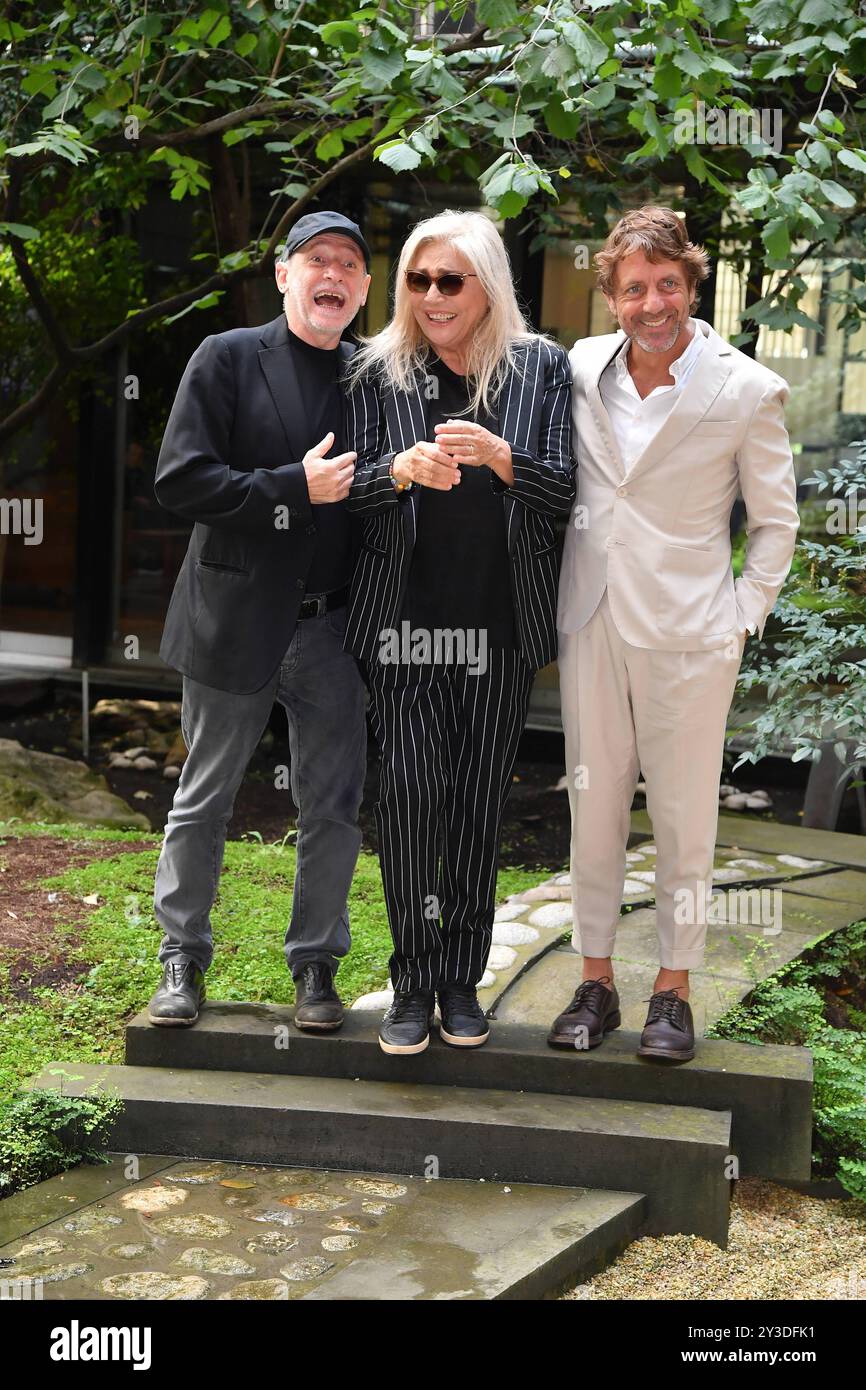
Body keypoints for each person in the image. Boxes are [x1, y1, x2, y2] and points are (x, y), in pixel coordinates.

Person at [552, 205, 799, 1062]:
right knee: (593, 810)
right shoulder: (580, 369)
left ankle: (673, 992)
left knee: (686, 821)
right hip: (591, 622)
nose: (650, 303)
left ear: (690, 285)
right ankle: (594, 983)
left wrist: (741, 616)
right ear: (611, 296)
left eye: (665, 284)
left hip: (693, 636)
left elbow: (775, 524)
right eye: (632, 288)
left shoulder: (744, 388)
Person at [345, 209, 574, 1056]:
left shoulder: (539, 368)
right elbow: (348, 491)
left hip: (499, 629)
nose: (432, 296)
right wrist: (397, 474)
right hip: (404, 632)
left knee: (477, 808)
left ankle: (460, 979)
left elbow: (567, 493)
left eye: (451, 280)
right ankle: (411, 982)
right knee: (408, 803)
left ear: (488, 285)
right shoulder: (377, 373)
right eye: (417, 279)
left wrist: (504, 459)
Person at [148, 211, 371, 1032]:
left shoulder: (373, 376)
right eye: (318, 259)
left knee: (333, 808)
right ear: (285, 275)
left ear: (363, 292)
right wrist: (288, 486)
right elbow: (181, 480)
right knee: (203, 799)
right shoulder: (228, 357)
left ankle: (316, 967)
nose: (333, 274)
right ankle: (181, 961)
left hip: (333, 632)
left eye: (349, 264)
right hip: (233, 617)